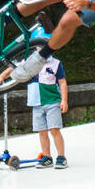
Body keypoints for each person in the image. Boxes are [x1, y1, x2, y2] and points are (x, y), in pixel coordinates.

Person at [25, 35, 69, 169]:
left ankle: (61, 157)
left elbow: (62, 82)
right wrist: (1, 77)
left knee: (54, 129)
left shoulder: (55, 63)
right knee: (42, 131)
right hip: (36, 103)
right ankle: (47, 157)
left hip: (51, 101)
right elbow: (14, 68)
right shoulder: (30, 61)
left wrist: (64, 100)